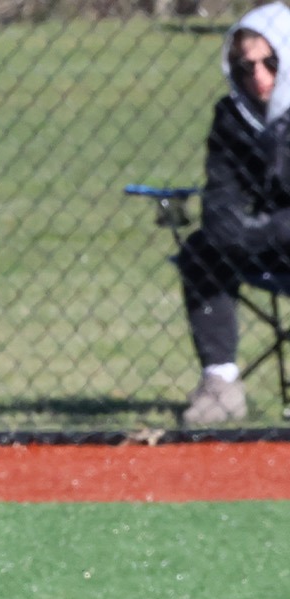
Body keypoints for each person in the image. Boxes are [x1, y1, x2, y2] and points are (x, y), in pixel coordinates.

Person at [175, 2, 290, 425]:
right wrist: (260, 231)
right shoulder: (231, 118)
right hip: (264, 241)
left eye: (271, 63)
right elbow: (220, 203)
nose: (258, 77)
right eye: (245, 67)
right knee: (200, 250)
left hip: (269, 233)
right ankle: (220, 384)